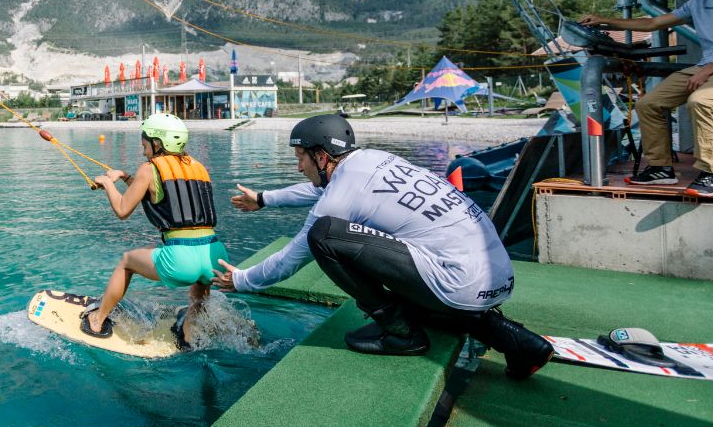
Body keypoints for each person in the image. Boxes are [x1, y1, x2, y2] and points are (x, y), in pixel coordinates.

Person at [214, 114, 553, 379]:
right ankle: (520, 343)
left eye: (301, 157)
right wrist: (263, 199)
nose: (298, 166)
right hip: (495, 277)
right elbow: (322, 190)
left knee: (324, 235)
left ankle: (401, 333)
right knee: (422, 287)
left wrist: (243, 280)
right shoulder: (372, 160)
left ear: (321, 156)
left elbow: (294, 256)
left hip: (459, 283)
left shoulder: (343, 191)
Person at [579, 0, 713, 197]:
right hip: (708, 66)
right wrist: (605, 20)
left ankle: (710, 176)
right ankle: (661, 168)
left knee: (701, 100)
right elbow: (653, 22)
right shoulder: (699, 2)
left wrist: (709, 70)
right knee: (649, 104)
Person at [83, 113, 226, 347]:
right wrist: (126, 177)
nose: (143, 152)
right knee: (198, 295)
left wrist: (108, 183)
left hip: (181, 260)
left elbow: (122, 210)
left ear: (157, 143)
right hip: (214, 256)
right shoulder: (198, 166)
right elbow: (161, 195)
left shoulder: (149, 168)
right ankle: (189, 332)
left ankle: (97, 320)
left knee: (127, 262)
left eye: (145, 146)